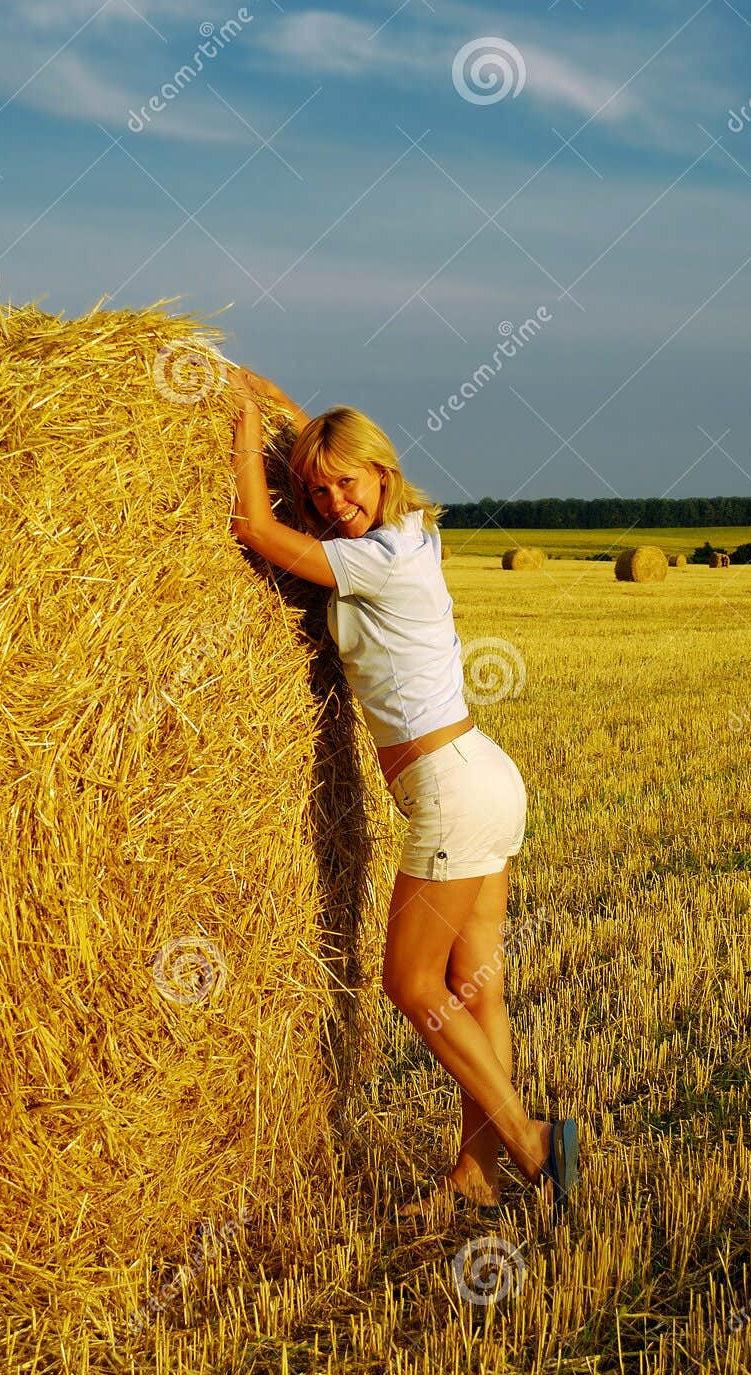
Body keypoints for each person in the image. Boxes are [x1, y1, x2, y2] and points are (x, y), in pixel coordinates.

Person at [224, 363, 578, 1223]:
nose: (333, 501)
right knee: (476, 989)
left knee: (411, 984)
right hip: (481, 774)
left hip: (452, 790)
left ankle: (532, 1144)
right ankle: (473, 1174)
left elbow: (257, 534)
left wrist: (242, 431)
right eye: (317, 489)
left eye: (345, 483)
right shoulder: (411, 533)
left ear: (382, 472)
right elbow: (332, 468)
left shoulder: (379, 557)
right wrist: (287, 414)